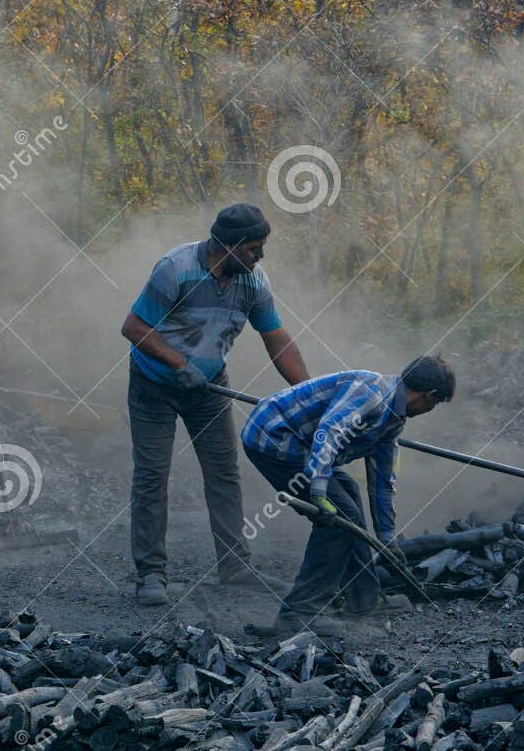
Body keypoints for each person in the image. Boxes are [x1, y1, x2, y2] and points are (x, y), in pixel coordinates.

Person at [120, 203, 309, 607]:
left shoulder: (253, 282)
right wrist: (177, 362)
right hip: (153, 386)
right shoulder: (175, 269)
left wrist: (308, 395)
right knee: (153, 476)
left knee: (224, 473)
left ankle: (235, 566)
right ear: (228, 245)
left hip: (208, 389)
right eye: (254, 248)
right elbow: (134, 327)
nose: (260, 256)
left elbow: (275, 337)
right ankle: (151, 573)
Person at [241, 355, 456, 632]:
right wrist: (318, 491)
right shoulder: (372, 393)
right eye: (435, 403)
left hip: (303, 448)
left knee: (349, 495)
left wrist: (386, 539)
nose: (432, 409)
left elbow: (382, 480)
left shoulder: (393, 421)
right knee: (339, 521)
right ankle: (297, 613)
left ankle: (363, 599)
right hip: (274, 437)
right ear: (429, 395)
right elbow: (330, 431)